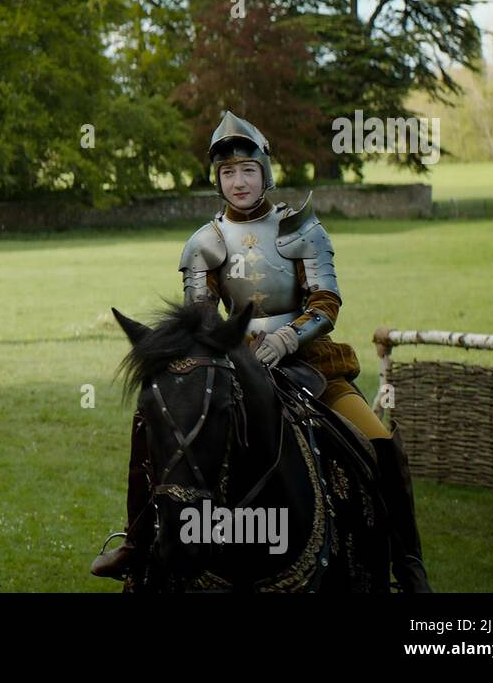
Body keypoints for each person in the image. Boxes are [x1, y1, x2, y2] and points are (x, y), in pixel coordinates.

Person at [91, 111, 431, 592]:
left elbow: (325, 303)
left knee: (378, 443)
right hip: (233, 364)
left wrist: (285, 338)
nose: (238, 181)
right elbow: (200, 322)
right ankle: (137, 541)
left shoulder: (302, 228)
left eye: (247, 170)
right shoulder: (204, 244)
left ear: (264, 172)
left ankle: (408, 564)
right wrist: (237, 348)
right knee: (152, 426)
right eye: (227, 173)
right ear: (218, 180)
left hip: (311, 364)